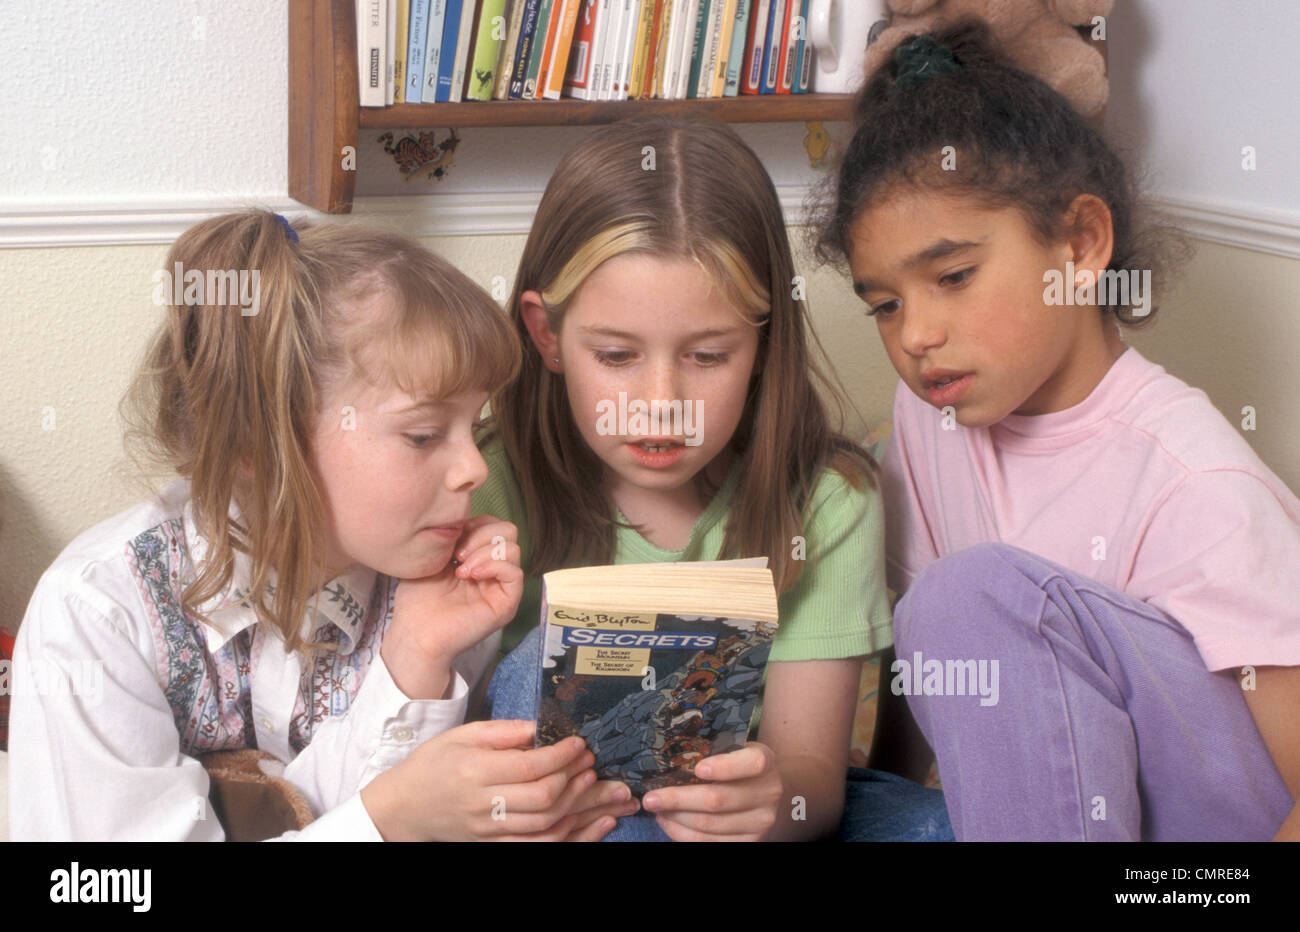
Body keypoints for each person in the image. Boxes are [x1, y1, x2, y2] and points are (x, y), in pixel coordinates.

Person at [813, 23, 1300, 840]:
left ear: (1081, 245)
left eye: (954, 277)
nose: (917, 334)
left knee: (973, 591)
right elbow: (930, 656)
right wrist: (893, 803)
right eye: (886, 305)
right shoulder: (929, 418)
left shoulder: (1200, 483)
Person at [9, 210, 633, 841]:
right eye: (422, 435)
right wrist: (390, 821)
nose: (474, 468)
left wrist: (415, 656)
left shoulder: (437, 591)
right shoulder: (99, 613)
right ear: (257, 444)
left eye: (473, 427)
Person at [474, 115, 952, 841]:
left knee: (935, 824)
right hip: (566, 817)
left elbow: (811, 788)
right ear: (547, 335)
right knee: (547, 693)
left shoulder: (826, 498)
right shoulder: (479, 480)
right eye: (616, 356)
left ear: (763, 343)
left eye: (706, 357)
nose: (661, 407)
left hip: (729, 826)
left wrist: (767, 802)